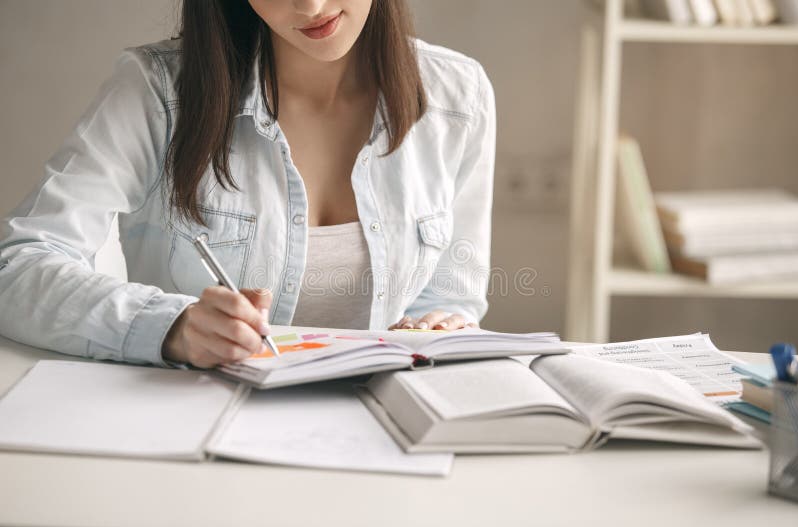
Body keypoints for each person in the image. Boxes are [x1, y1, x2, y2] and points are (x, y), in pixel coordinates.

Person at [0, 0, 495, 369]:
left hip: (376, 441)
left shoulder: (459, 97)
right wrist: (171, 327)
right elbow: (17, 269)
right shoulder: (157, 90)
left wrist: (440, 324)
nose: (311, 6)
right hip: (193, 432)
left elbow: (450, 298)